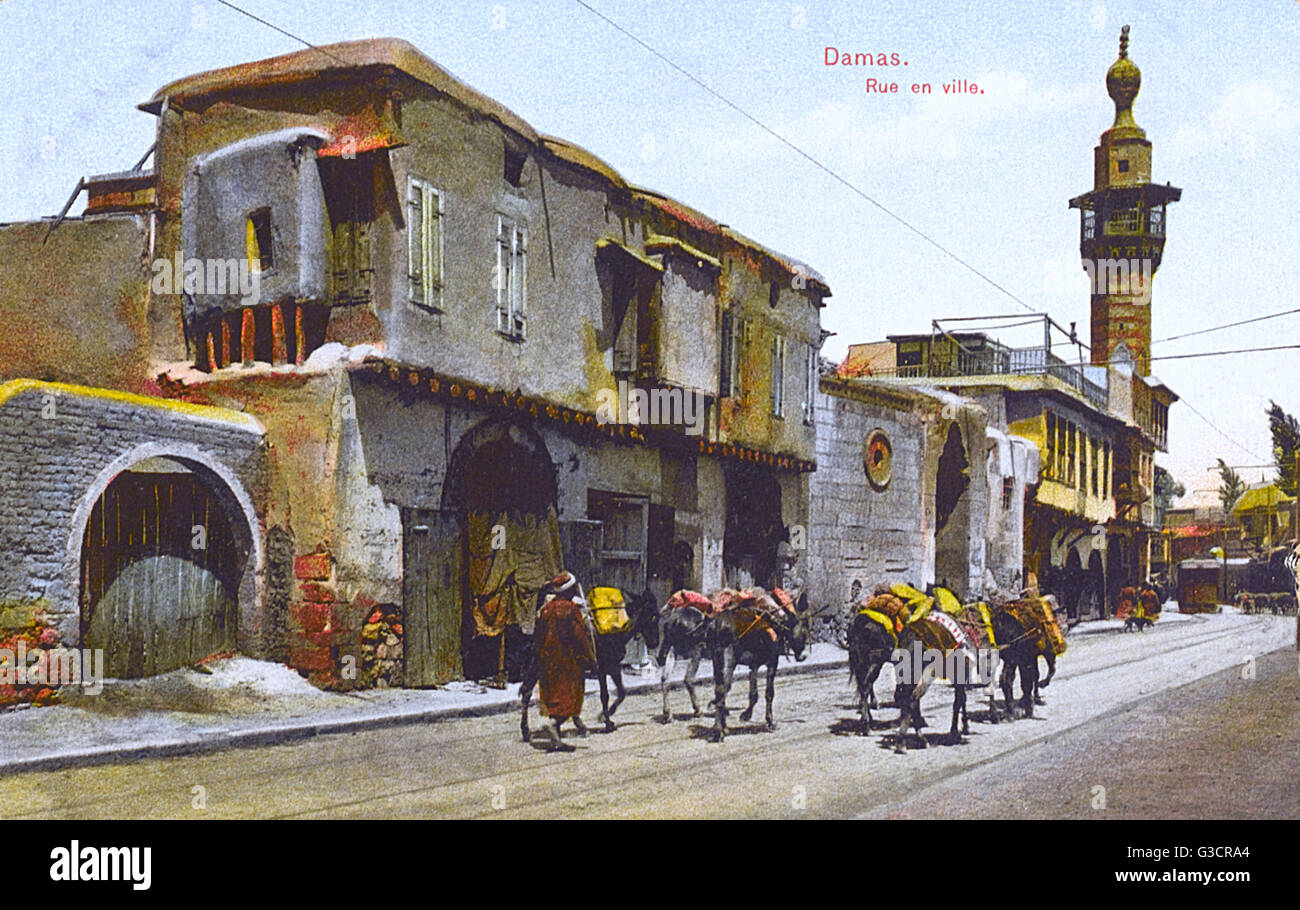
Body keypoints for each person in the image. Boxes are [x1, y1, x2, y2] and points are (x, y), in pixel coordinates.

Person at [532, 572, 597, 749]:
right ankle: (553, 724)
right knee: (569, 695)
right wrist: (589, 659)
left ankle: (556, 736)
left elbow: (538, 635)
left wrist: (539, 655)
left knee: (553, 693)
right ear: (569, 590)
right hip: (567, 660)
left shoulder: (546, 609)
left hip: (548, 659)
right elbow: (579, 637)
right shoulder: (571, 610)